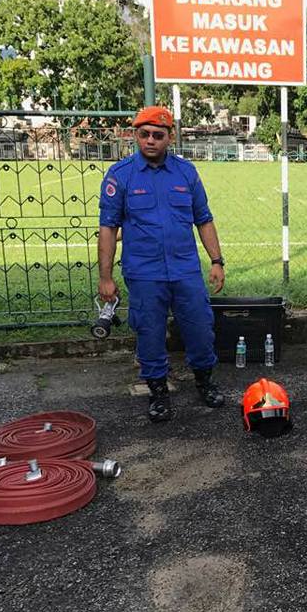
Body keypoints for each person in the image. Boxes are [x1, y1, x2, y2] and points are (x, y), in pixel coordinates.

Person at [97, 105, 226, 422]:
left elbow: (204, 220)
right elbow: (108, 228)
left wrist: (217, 260)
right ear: (135, 135)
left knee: (200, 327)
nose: (150, 140)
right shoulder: (120, 176)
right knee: (150, 333)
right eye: (144, 134)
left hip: (185, 271)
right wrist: (105, 278)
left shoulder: (186, 173)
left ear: (170, 137)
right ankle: (158, 393)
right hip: (144, 273)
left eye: (158, 135)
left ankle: (204, 383)